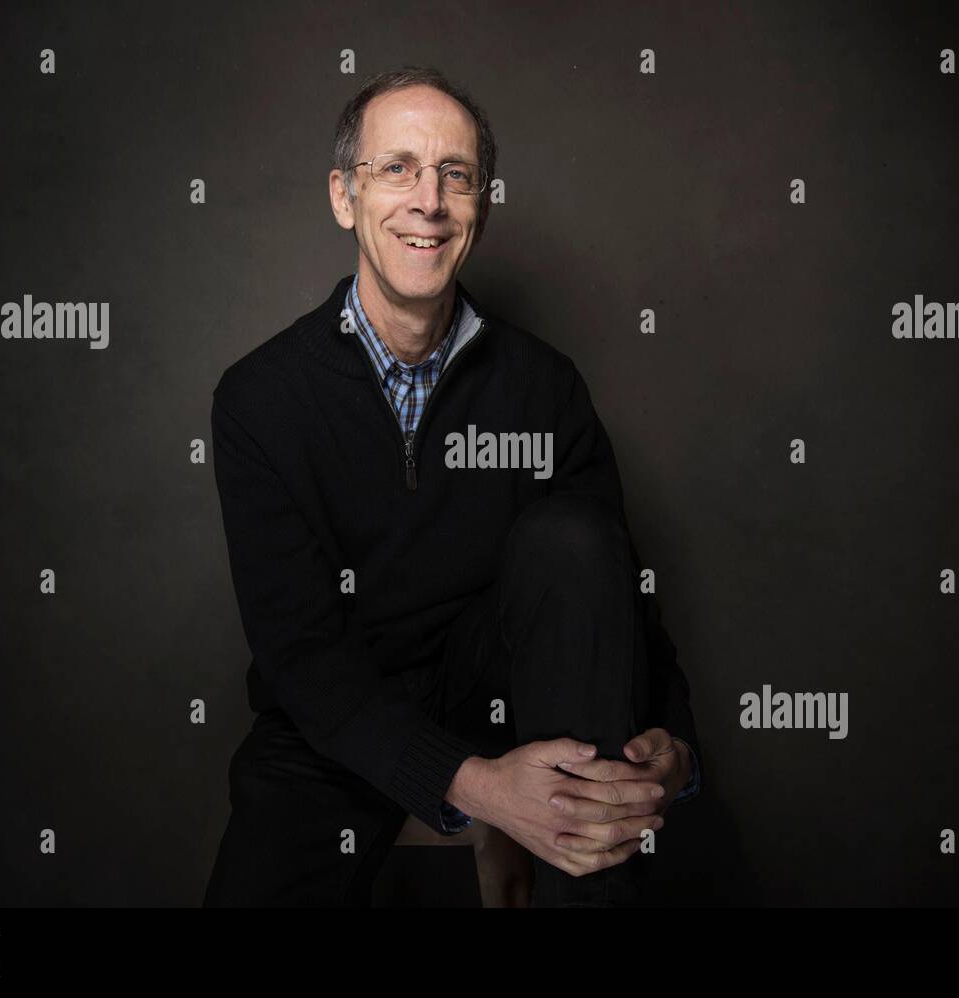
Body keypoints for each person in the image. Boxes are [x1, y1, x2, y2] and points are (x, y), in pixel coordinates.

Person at [202, 65, 703, 907]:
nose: (428, 200)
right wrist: (476, 789)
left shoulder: (544, 387)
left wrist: (679, 747)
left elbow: (617, 599)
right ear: (343, 196)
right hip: (336, 727)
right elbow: (304, 658)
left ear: (479, 204)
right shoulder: (260, 399)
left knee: (574, 540)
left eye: (456, 175)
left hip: (508, 694)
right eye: (396, 168)